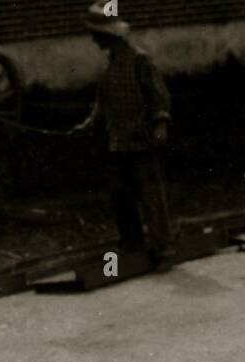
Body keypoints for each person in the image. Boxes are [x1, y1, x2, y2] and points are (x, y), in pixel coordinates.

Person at [73, 3, 176, 267]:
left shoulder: (139, 60)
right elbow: (101, 105)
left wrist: (160, 124)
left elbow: (159, 95)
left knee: (151, 195)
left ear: (108, 34)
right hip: (117, 141)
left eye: (96, 33)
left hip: (141, 140)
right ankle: (133, 243)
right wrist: (86, 126)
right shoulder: (110, 67)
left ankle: (163, 249)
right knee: (121, 194)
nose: (93, 39)